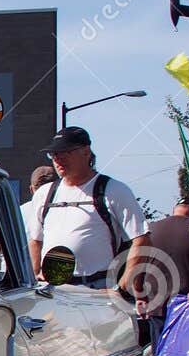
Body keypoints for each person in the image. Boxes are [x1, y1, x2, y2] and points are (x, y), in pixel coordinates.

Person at [27, 126, 147, 306]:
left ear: (86, 151)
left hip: (97, 291)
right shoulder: (44, 194)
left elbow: (142, 241)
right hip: (51, 292)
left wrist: (121, 288)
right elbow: (36, 241)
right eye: (53, 154)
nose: (58, 159)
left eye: (65, 152)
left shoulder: (113, 190)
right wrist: (33, 280)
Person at [137, 199, 189, 356]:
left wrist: (140, 295)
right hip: (187, 301)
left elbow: (136, 263)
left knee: (166, 355)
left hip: (157, 303)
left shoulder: (150, 229)